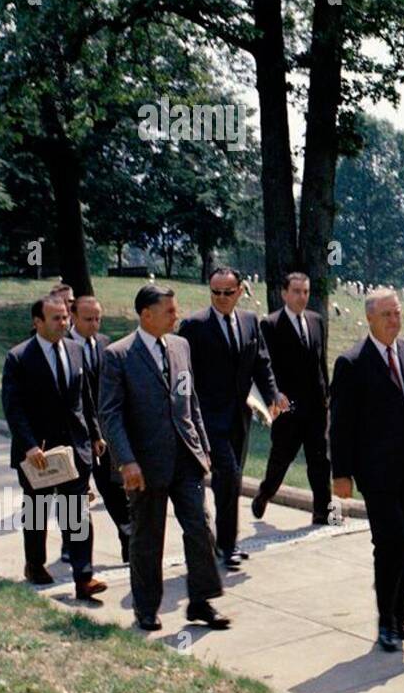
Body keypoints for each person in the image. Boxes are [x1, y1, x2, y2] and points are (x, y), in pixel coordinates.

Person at [98, 283, 230, 632]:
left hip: (185, 458)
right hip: (143, 464)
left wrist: (202, 447)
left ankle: (200, 602)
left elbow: (191, 400)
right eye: (170, 311)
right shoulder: (118, 355)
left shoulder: (181, 346)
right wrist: (126, 460)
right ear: (147, 315)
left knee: (200, 528)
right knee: (147, 536)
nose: (177, 316)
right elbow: (110, 415)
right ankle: (146, 608)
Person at [330, 288, 404, 652]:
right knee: (390, 542)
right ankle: (385, 622)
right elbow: (341, 424)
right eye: (386, 315)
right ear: (370, 319)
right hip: (375, 473)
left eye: (397, 313)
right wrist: (340, 473)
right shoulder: (352, 363)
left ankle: (399, 617)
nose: (394, 320)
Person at [178, 266, 284, 570]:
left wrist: (273, 394)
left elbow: (261, 363)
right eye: (215, 292)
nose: (221, 298)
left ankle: (222, 542)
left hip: (240, 416)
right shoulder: (194, 325)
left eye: (227, 292)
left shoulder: (251, 322)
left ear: (240, 291)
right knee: (229, 476)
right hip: (208, 417)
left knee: (230, 479)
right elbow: (183, 372)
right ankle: (227, 545)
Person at [1, 295, 106, 600]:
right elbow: (14, 408)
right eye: (56, 318)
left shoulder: (75, 350)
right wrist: (30, 446)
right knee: (37, 511)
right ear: (38, 322)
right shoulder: (19, 357)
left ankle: (83, 577)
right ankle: (35, 564)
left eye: (65, 317)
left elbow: (85, 398)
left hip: (74, 448)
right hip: (38, 453)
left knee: (76, 512)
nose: (64, 324)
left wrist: (95, 434)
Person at [252, 272, 333, 525]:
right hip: (288, 404)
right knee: (282, 456)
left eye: (306, 292)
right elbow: (266, 366)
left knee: (320, 459)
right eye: (296, 291)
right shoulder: (271, 324)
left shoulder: (316, 321)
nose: (302, 297)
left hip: (316, 404)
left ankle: (323, 511)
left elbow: (321, 362)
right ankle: (265, 493)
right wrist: (274, 396)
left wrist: (327, 394)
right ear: (284, 294)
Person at [71, 295, 133, 563]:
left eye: (98, 319)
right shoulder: (62, 347)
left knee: (113, 487)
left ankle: (127, 537)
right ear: (73, 317)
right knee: (74, 495)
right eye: (88, 319)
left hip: (105, 429)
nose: (94, 324)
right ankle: (74, 553)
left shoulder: (107, 345)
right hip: (73, 432)